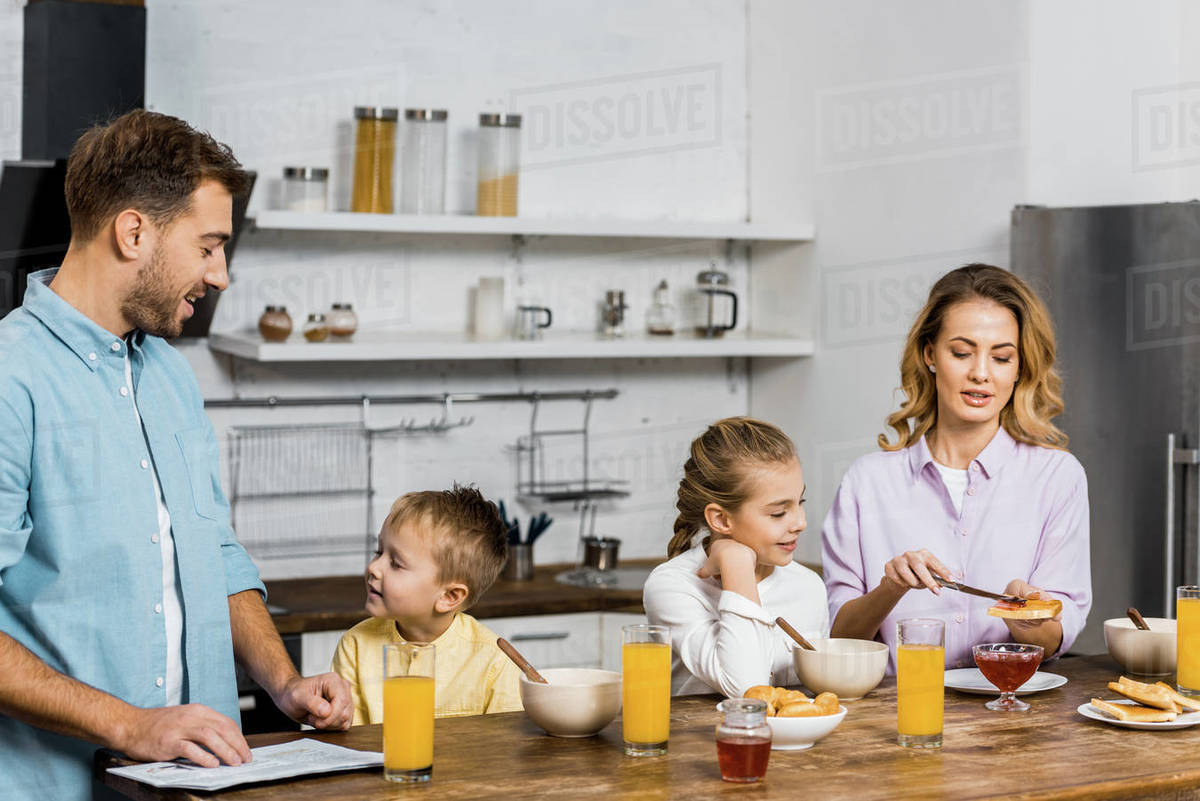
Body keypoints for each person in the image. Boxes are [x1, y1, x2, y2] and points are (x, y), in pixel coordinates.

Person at [0, 110, 352, 801]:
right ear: (134, 232)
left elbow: (212, 551)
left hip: (198, 787)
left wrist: (283, 682)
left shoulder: (169, 375)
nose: (220, 276)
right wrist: (133, 726)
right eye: (209, 246)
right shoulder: (11, 377)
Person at [821, 264, 1091, 672]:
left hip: (1013, 716)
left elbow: (1056, 636)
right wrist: (890, 588)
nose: (980, 373)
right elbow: (840, 638)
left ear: (1019, 369)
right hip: (897, 715)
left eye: (1001, 357)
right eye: (962, 353)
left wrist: (1028, 617)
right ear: (930, 354)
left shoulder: (1058, 477)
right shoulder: (867, 482)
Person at [643, 417, 828, 697]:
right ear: (720, 519)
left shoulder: (808, 586)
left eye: (799, 503)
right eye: (778, 512)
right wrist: (736, 563)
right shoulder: (673, 586)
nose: (800, 522)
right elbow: (747, 690)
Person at [331, 485, 522, 721]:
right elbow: (348, 745)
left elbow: (506, 747)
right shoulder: (354, 646)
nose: (373, 567)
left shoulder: (494, 662)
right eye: (378, 551)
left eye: (396, 564)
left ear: (448, 597)